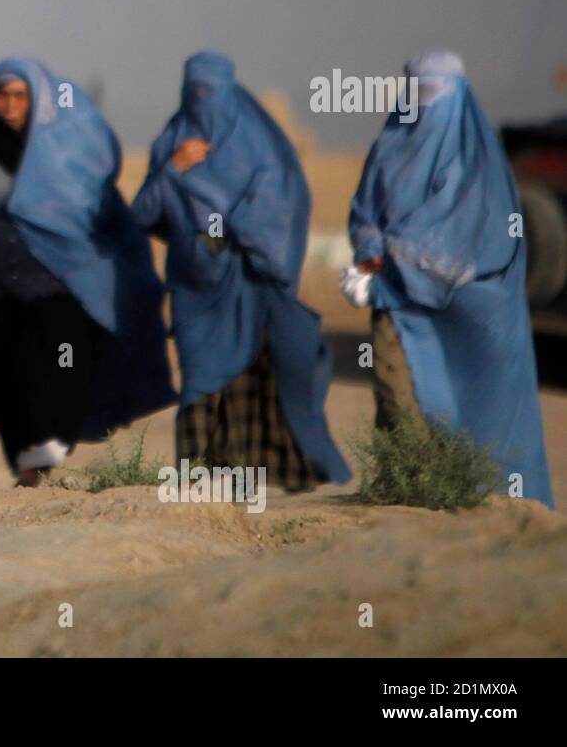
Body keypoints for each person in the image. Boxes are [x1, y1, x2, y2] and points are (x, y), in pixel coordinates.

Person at [0, 58, 175, 486]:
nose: (9, 105)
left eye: (18, 96)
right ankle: (29, 460)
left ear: (35, 101)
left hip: (54, 287)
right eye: (1, 96)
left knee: (61, 372)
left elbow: (91, 216)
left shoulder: (62, 157)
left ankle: (42, 459)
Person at [132, 50, 350, 492]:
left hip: (250, 279)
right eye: (195, 92)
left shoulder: (260, 147)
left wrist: (238, 234)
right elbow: (142, 212)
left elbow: (281, 208)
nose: (203, 101)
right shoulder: (172, 143)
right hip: (194, 285)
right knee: (197, 377)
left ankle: (243, 482)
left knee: (247, 377)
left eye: (211, 92)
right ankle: (196, 481)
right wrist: (173, 170)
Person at [346, 50, 554, 508]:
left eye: (434, 92)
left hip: (472, 311)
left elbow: (478, 239)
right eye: (416, 91)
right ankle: (411, 502)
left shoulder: (479, 164)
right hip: (397, 300)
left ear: (457, 95)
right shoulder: (389, 146)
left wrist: (398, 251)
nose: (424, 103)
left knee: (480, 423)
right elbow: (364, 211)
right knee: (398, 400)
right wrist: (370, 250)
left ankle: (482, 505)